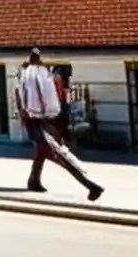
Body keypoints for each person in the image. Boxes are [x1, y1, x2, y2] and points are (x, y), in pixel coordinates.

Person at [19, 48, 103, 200]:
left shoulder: (32, 83)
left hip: (42, 127)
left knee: (43, 155)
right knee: (61, 157)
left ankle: (34, 181)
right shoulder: (33, 83)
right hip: (40, 127)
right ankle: (90, 186)